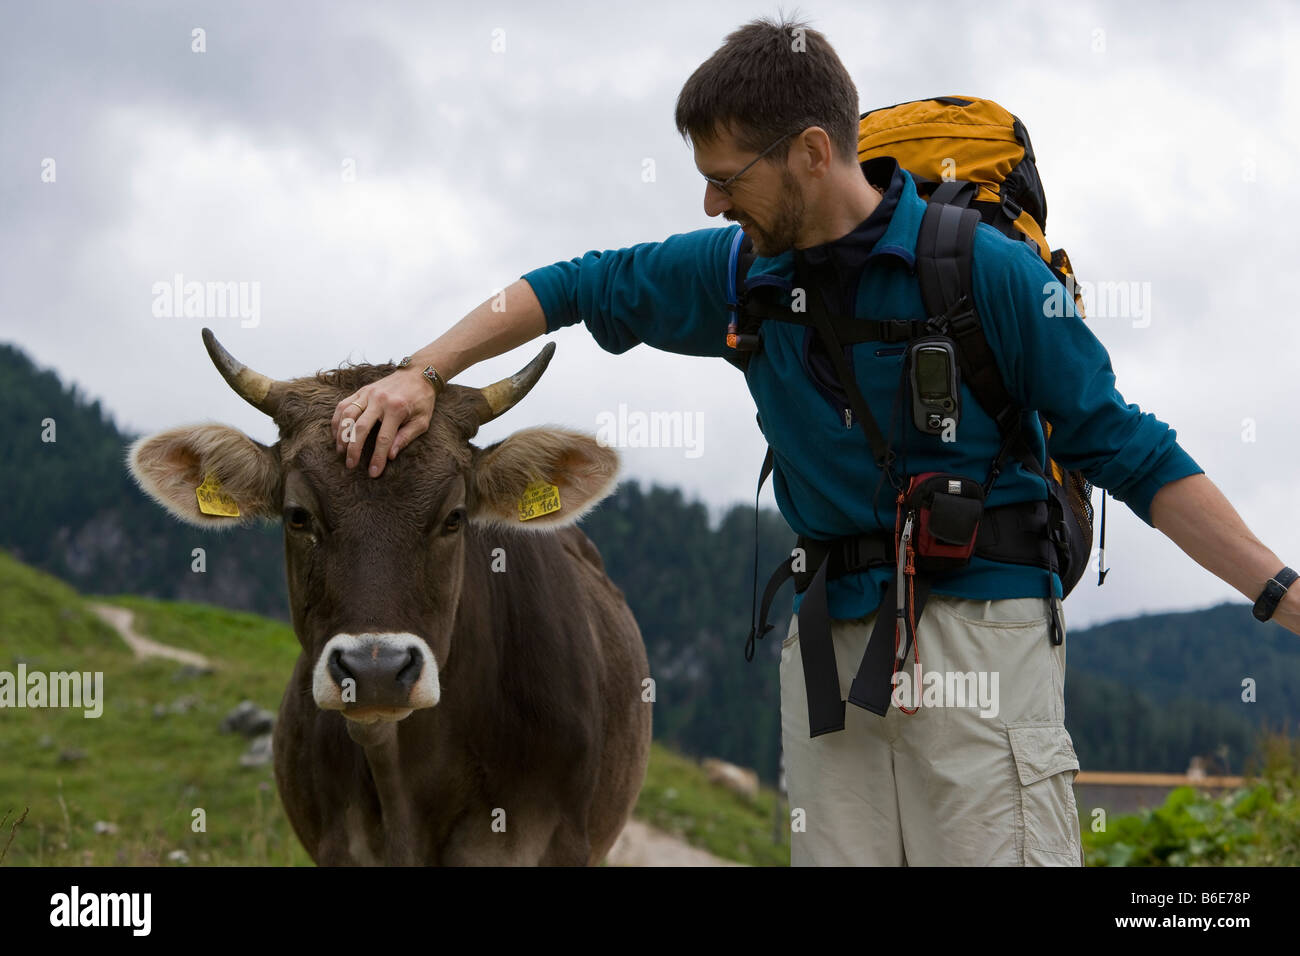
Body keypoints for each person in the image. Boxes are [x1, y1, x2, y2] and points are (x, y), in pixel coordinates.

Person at [328, 16, 1300, 865]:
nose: (711, 205)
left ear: (807, 153)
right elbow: (573, 284)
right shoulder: (734, 272)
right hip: (832, 642)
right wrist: (422, 370)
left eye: (724, 179)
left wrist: (1277, 590)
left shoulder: (991, 278)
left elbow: (1130, 450)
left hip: (983, 632)